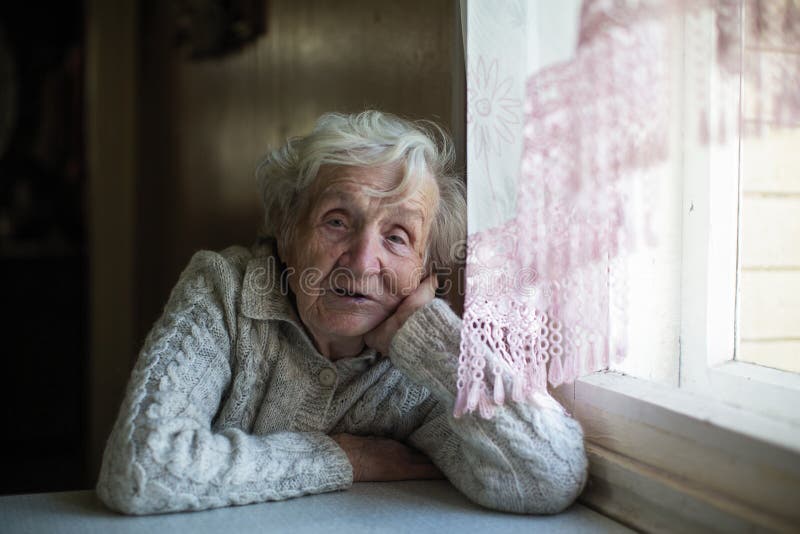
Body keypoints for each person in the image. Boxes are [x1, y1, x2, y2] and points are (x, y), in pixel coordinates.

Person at [96, 110, 588, 515]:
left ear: (425, 269)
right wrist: (343, 458)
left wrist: (431, 340)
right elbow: (139, 470)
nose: (361, 260)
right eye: (336, 221)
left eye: (397, 237)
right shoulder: (224, 291)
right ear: (287, 233)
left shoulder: (419, 369)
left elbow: (550, 474)